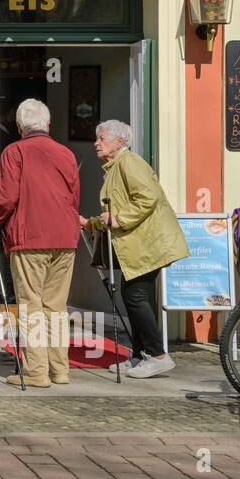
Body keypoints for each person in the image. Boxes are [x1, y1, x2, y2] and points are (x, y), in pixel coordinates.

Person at [0, 99, 80, 388]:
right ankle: (60, 370)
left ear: (20, 126)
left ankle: (36, 372)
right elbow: (74, 197)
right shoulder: (66, 153)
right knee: (57, 306)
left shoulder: (15, 152)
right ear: (47, 124)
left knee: (31, 304)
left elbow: (6, 198)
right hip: (64, 237)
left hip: (30, 237)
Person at [79, 120, 189, 379]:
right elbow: (112, 211)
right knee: (137, 296)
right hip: (140, 245)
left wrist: (117, 219)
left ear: (119, 142)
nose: (96, 142)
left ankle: (158, 355)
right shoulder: (116, 166)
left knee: (135, 297)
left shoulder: (129, 163)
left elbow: (147, 197)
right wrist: (89, 224)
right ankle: (141, 355)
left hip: (147, 245)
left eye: (102, 138)